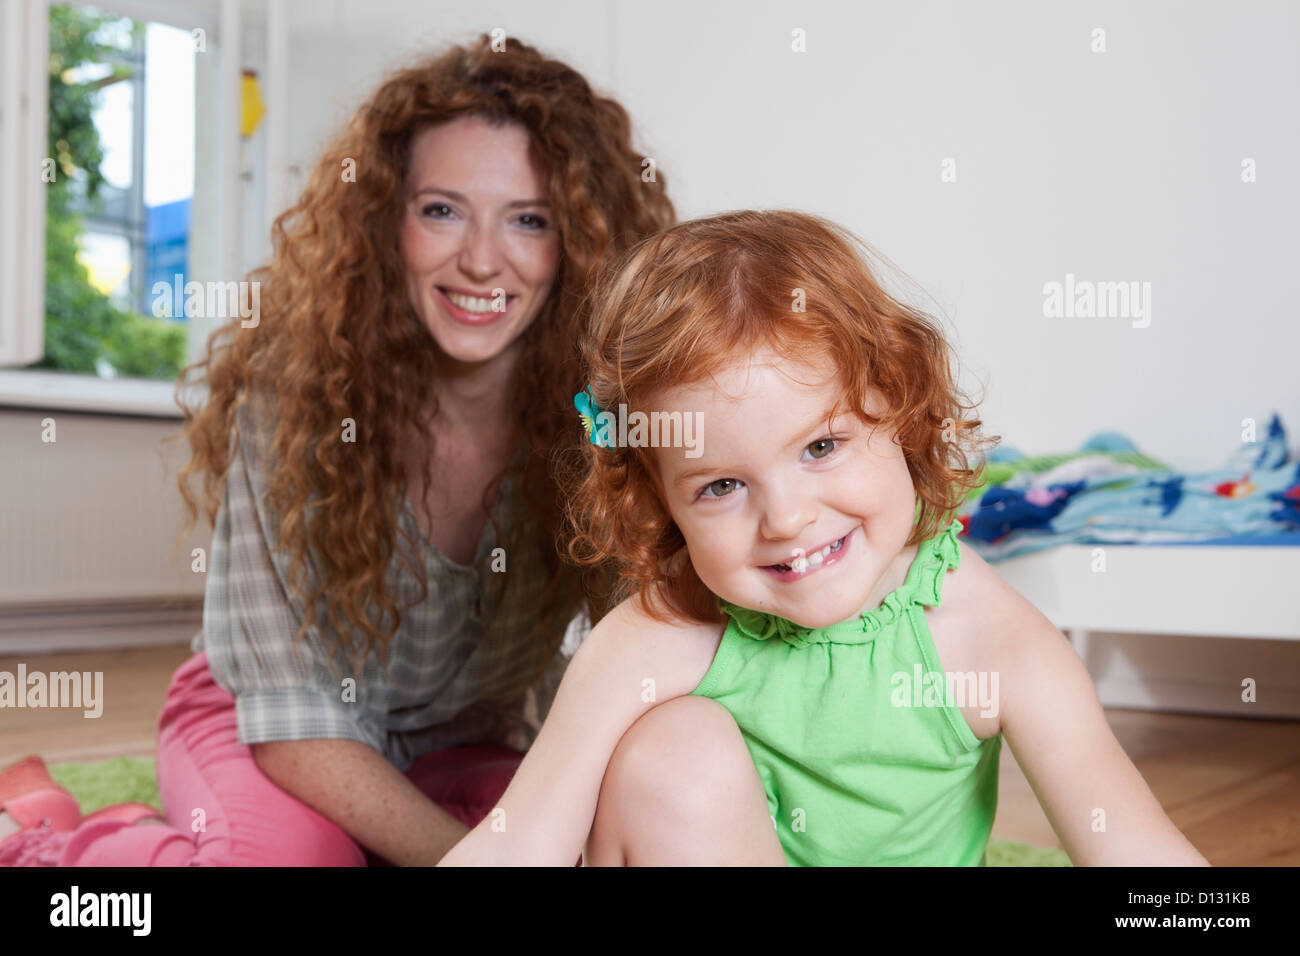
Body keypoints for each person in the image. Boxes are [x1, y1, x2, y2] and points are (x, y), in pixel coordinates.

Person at [0, 33, 674, 867]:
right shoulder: (299, 389)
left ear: (576, 242)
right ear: (386, 218)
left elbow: (645, 635)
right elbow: (293, 723)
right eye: (442, 209)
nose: (480, 258)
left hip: (462, 741)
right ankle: (36, 839)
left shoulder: (599, 419)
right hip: (267, 725)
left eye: (529, 220)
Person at [437, 209, 1212, 866]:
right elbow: (518, 842)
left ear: (902, 408)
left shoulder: (989, 639)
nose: (786, 519)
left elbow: (1136, 850)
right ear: (660, 504)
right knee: (673, 751)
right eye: (722, 486)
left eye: (820, 448)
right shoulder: (659, 635)